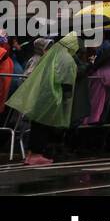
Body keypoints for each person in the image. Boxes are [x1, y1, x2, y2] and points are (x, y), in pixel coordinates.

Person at [7, 32, 81, 166]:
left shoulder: (52, 54)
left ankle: (30, 154)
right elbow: (66, 80)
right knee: (44, 125)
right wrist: (67, 95)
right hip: (52, 95)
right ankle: (36, 154)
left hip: (41, 93)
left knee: (37, 124)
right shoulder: (66, 58)